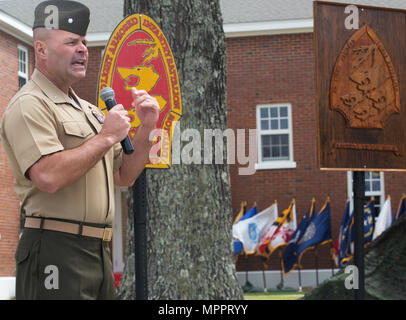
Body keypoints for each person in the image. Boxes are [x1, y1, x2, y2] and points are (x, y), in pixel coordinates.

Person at [0, 0, 159, 299]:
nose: (83, 49)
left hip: (98, 250)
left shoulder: (89, 111)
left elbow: (123, 176)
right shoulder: (29, 104)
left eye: (84, 42)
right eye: (72, 42)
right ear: (42, 50)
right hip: (55, 248)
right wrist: (105, 137)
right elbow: (47, 175)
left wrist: (146, 129)